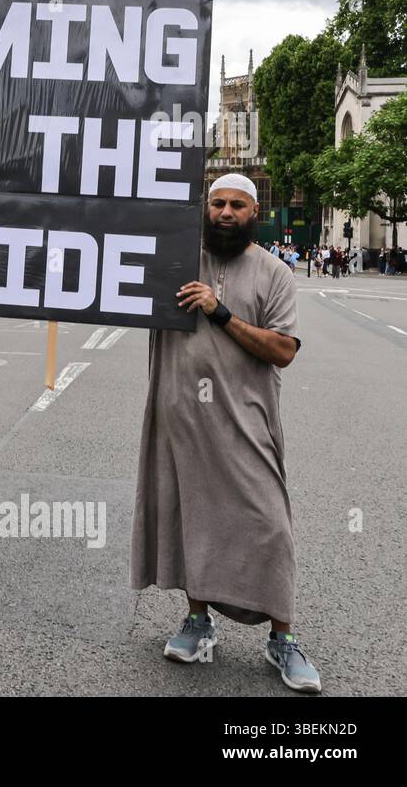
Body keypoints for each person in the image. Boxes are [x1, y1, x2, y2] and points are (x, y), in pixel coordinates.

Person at [132, 173, 321, 693]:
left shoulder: (275, 273)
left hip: (246, 420)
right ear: (204, 208)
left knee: (270, 524)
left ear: (254, 212)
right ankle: (198, 621)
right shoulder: (174, 260)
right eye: (217, 203)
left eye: (238, 204)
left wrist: (221, 313)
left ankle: (282, 637)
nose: (226, 212)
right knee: (191, 519)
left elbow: (284, 349)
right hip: (181, 419)